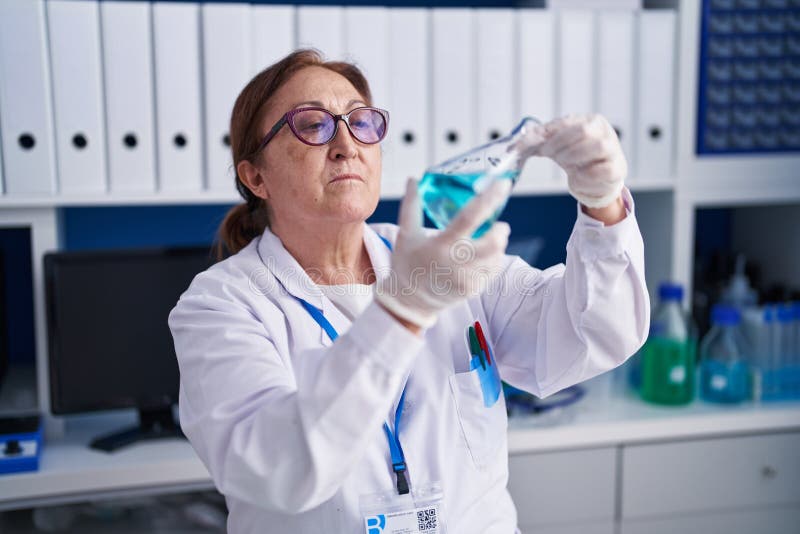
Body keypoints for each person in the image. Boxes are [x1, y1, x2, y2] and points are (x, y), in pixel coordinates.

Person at [168, 49, 649, 534]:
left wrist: (601, 205)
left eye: (362, 122)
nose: (346, 144)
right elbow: (280, 468)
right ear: (256, 177)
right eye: (312, 125)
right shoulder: (221, 306)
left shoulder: (441, 251)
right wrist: (401, 312)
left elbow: (593, 334)